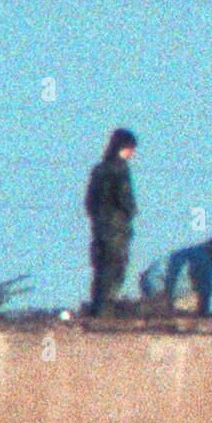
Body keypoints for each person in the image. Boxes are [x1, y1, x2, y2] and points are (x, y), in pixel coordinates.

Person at [84, 128, 138, 315]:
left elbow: (89, 202)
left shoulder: (99, 169)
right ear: (126, 148)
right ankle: (106, 310)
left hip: (99, 228)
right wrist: (131, 212)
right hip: (116, 230)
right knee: (115, 269)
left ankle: (97, 307)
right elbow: (125, 199)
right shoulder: (120, 169)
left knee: (100, 269)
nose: (133, 153)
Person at [139, 237, 212, 316]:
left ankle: (157, 305)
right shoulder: (205, 259)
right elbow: (204, 287)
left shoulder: (191, 251)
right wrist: (203, 312)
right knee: (194, 301)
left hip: (149, 283)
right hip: (165, 288)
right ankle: (167, 306)